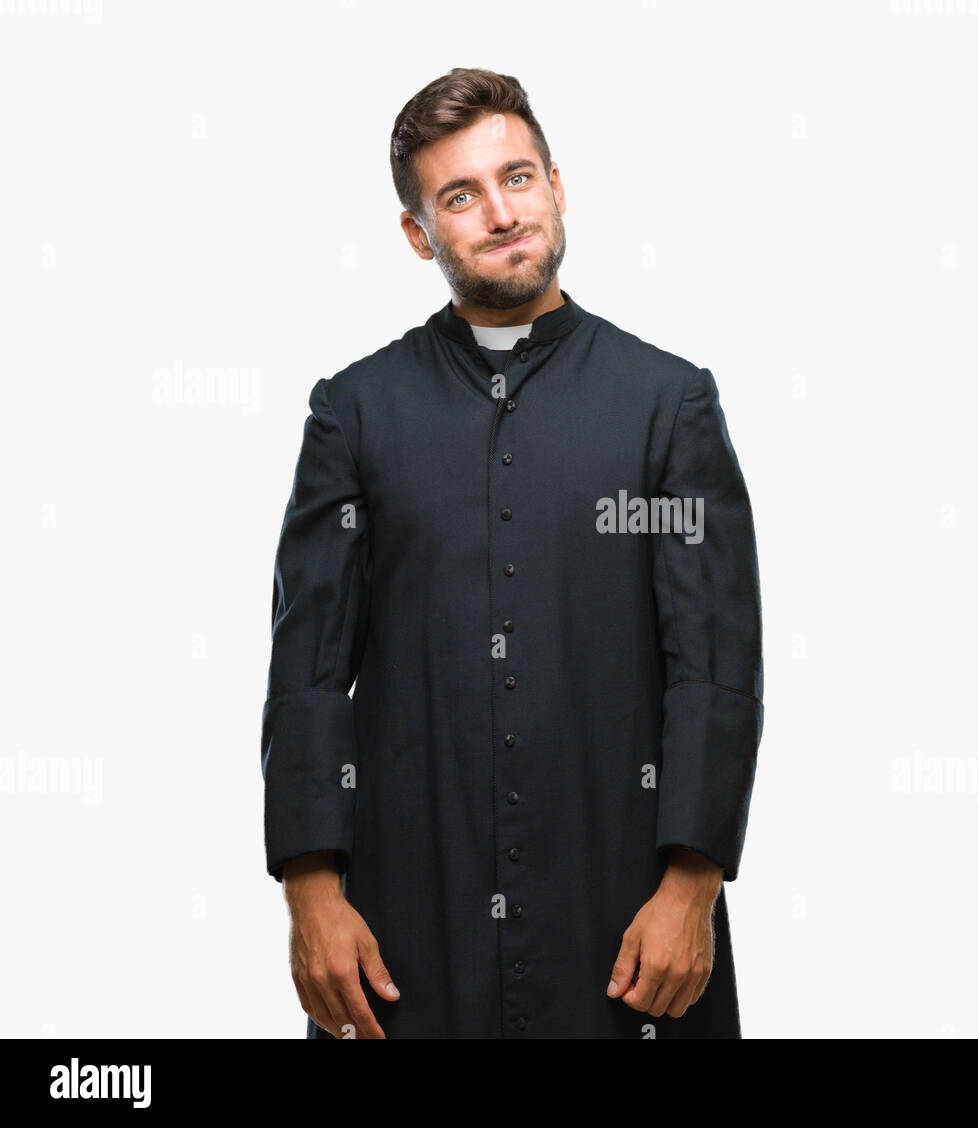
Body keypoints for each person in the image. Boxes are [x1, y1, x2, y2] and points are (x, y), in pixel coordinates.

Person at [260, 67, 764, 1038]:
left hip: (625, 916)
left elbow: (712, 664)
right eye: (461, 195)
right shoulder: (355, 414)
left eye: (517, 177)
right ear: (418, 233)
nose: (500, 212)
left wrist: (690, 891)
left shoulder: (667, 405)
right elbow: (309, 670)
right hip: (405, 924)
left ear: (557, 185)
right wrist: (311, 894)